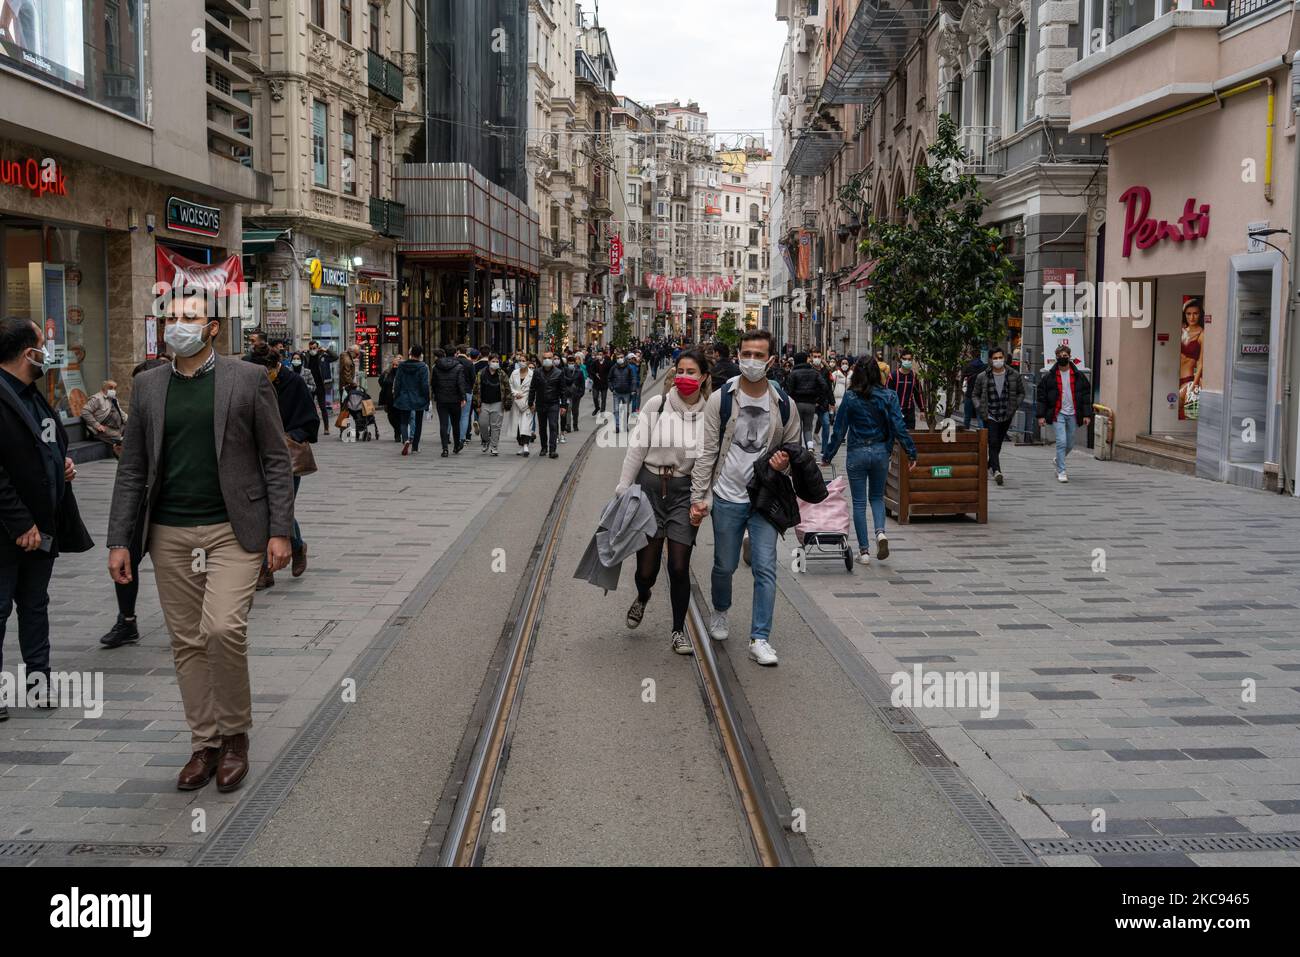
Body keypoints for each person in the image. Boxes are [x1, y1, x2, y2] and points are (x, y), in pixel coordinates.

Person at [107, 291, 294, 792]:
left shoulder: (247, 379)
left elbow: (277, 458)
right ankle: (203, 742)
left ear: (212, 326)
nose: (177, 323)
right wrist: (119, 540)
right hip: (168, 531)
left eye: (189, 316)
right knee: (187, 641)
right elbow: (132, 469)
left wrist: (280, 530)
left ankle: (235, 735)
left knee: (222, 628)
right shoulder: (147, 386)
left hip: (233, 528)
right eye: (172, 315)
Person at [690, 330, 802, 667]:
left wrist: (784, 461)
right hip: (727, 496)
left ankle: (760, 638)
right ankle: (721, 610)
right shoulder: (720, 399)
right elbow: (707, 452)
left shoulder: (784, 403)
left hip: (764, 499)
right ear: (739, 355)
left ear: (770, 360)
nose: (752, 360)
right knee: (724, 566)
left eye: (759, 354)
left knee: (766, 568)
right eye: (747, 353)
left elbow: (795, 448)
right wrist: (699, 496)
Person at [0, 317, 93, 720]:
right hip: (10, 531)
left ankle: (39, 683)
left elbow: (46, 444)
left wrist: (62, 465)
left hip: (44, 527)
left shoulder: (33, 394)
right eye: (43, 344)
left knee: (35, 607)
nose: (48, 352)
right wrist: (20, 524)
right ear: (27, 353)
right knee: (0, 608)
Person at [618, 349, 711, 656]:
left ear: (704, 378)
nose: (685, 377)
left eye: (692, 372)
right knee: (647, 570)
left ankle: (677, 631)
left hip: (684, 493)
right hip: (650, 488)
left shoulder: (710, 414)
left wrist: (702, 499)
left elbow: (709, 462)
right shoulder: (657, 405)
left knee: (679, 566)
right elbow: (637, 448)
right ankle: (643, 595)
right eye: (680, 371)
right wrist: (623, 487)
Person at [822, 358, 918, 564]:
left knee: (858, 502)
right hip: (880, 452)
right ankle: (881, 532)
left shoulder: (850, 397)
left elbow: (839, 431)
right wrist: (911, 452)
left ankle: (864, 552)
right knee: (876, 497)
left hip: (857, 452)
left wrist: (828, 455)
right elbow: (899, 426)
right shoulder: (889, 396)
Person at [247, 342, 319, 589]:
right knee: (262, 511)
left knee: (279, 508)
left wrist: (291, 437)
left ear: (275, 366)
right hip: (253, 455)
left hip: (286, 458)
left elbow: (310, 421)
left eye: (266, 372)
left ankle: (272, 565)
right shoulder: (249, 382)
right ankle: (286, 554)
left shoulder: (293, 383)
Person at [1036, 344, 1092, 483]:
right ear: (1056, 358)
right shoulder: (1049, 377)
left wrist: (1086, 414)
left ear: (1069, 357)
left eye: (1065, 356)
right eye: (1060, 356)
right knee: (1061, 441)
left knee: (1070, 442)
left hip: (1073, 413)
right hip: (1057, 412)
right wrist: (1041, 416)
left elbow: (1085, 396)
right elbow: (1042, 397)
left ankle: (1057, 459)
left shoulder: (1078, 376)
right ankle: (1061, 470)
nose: (1063, 358)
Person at [972, 347, 1025, 486]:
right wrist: (980, 407)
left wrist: (1014, 406)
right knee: (993, 442)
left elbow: (1021, 392)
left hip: (1006, 414)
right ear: (990, 360)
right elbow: (975, 394)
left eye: (1000, 357)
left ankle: (990, 464)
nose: (998, 360)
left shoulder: (1013, 374)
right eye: (995, 358)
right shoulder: (983, 376)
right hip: (990, 415)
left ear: (1004, 358)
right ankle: (997, 471)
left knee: (999, 442)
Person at [785, 352, 829, 453]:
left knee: (798, 428)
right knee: (808, 427)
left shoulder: (793, 373)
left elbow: (789, 391)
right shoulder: (814, 372)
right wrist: (818, 398)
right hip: (811, 404)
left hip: (797, 404)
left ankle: (799, 450)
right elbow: (824, 386)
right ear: (806, 360)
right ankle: (810, 446)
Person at [430, 348, 469, 457]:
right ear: (455, 354)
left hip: (441, 399)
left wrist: (435, 394)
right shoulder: (459, 366)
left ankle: (445, 448)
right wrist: (463, 397)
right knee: (455, 423)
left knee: (443, 423)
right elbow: (461, 383)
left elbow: (433, 383)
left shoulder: (437, 366)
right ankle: (456, 446)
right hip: (455, 399)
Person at [529, 352, 567, 460]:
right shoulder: (537, 372)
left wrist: (563, 405)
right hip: (540, 403)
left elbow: (563, 391)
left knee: (553, 426)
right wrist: (530, 403)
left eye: (549, 358)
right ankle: (544, 447)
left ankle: (552, 450)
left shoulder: (559, 373)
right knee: (542, 427)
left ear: (553, 359)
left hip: (553, 404)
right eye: (545, 358)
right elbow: (532, 388)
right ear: (542, 359)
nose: (547, 360)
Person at [393, 346, 431, 456]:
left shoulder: (401, 366)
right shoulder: (423, 367)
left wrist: (396, 395)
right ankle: (415, 447)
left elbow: (397, 382)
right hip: (419, 397)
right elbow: (425, 385)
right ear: (420, 355)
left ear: (410, 354)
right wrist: (426, 398)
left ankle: (405, 439)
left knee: (404, 422)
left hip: (404, 396)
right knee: (418, 423)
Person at [80, 379, 126, 457]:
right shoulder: (97, 398)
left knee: (133, 432)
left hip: (118, 426)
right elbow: (85, 411)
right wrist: (96, 425)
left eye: (115, 388)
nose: (113, 390)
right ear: (104, 388)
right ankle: (121, 454)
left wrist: (130, 420)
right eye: (110, 388)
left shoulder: (113, 398)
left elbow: (120, 412)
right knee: (121, 439)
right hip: (104, 427)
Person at [474, 354, 508, 456]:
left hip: (497, 403)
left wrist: (507, 403)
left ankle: (494, 447)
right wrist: (477, 405)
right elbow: (476, 389)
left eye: (497, 361)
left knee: (495, 426)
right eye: (493, 361)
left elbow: (507, 388)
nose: (495, 363)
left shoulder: (502, 374)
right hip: (484, 403)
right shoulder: (481, 373)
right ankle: (485, 440)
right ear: (488, 362)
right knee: (483, 424)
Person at [887, 350, 926, 430]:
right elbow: (887, 394)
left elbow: (919, 394)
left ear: (912, 360)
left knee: (910, 436)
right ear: (901, 359)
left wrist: (922, 410)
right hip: (895, 411)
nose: (907, 361)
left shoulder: (914, 376)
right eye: (905, 359)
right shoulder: (893, 376)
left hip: (909, 412)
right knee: (895, 436)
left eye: (909, 359)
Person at [1179, 298, 1205, 421]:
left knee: (1188, 417)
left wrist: (1194, 384)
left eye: (1195, 313)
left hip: (1189, 381)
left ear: (1200, 314)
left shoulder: (1202, 334)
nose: (1192, 317)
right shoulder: (1181, 331)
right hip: (1174, 379)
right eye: (1188, 314)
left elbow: (1201, 361)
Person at [305, 341, 334, 435]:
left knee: (323, 407)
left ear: (318, 348)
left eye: (314, 348)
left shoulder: (323, 356)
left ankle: (326, 428)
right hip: (310, 385)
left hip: (321, 385)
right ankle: (310, 428)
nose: (312, 350)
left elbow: (335, 357)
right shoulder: (306, 357)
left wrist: (326, 350)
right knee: (309, 408)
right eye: (311, 348)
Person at [509, 355, 535, 456]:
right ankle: (521, 445)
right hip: (516, 402)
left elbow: (534, 389)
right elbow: (510, 384)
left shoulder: (532, 374)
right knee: (517, 425)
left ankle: (526, 446)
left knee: (526, 425)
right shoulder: (514, 373)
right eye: (520, 360)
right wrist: (515, 393)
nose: (521, 362)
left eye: (523, 360)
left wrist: (533, 402)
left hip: (527, 402)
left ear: (527, 362)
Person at [378, 354, 404, 442]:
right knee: (391, 417)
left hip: (400, 399)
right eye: (394, 365)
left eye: (397, 365)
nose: (395, 367)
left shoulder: (403, 373)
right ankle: (397, 429)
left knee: (399, 416)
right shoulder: (386, 373)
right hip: (389, 399)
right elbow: (381, 381)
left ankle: (398, 432)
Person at [608, 352, 635, 433]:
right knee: (616, 410)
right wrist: (612, 388)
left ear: (624, 358)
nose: (620, 359)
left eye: (621, 357)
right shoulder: (613, 368)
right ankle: (617, 426)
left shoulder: (629, 367)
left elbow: (633, 378)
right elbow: (609, 378)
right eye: (618, 357)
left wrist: (633, 389)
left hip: (626, 392)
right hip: (616, 392)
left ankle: (625, 425)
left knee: (626, 410)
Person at [961, 352, 987, 430]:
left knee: (967, 416)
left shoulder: (968, 366)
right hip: (980, 395)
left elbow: (962, 379)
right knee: (980, 417)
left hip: (969, 394)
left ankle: (966, 434)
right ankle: (982, 437)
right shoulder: (985, 367)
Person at [590, 350, 611, 416]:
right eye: (598, 354)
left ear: (603, 355)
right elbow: (591, 370)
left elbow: (610, 372)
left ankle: (602, 412)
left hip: (604, 384)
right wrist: (595, 374)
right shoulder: (594, 362)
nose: (599, 355)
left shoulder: (607, 363)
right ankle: (597, 407)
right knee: (595, 397)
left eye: (601, 354)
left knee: (603, 399)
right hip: (596, 383)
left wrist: (608, 378)